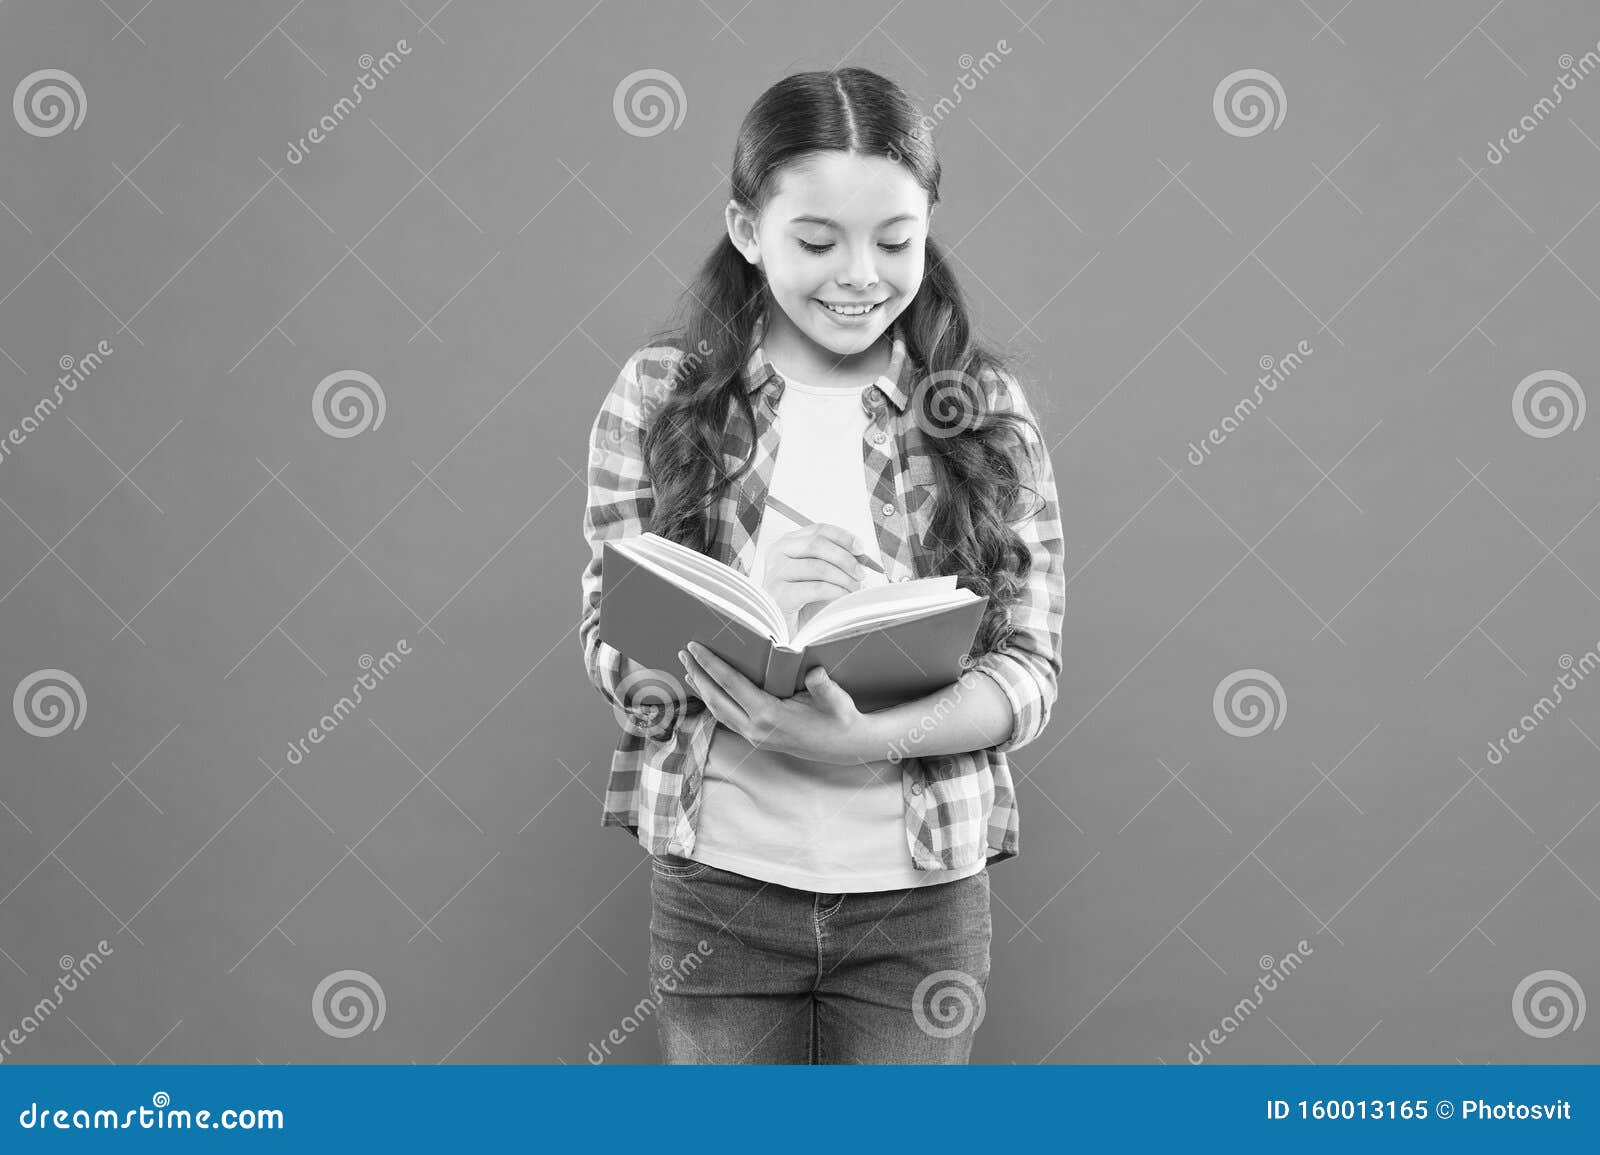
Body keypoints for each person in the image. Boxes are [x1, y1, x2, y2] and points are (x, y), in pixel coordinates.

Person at [579, 65, 1065, 1064]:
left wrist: (868, 734)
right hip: (718, 887)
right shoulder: (659, 398)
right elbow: (614, 653)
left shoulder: (980, 406)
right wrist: (754, 621)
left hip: (920, 901)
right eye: (815, 241)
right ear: (748, 231)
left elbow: (1028, 674)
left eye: (895, 241)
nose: (859, 275)